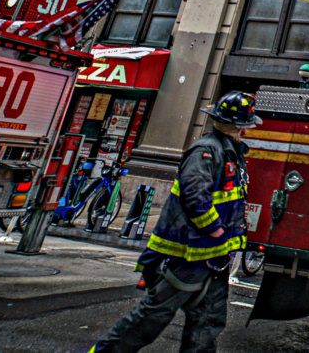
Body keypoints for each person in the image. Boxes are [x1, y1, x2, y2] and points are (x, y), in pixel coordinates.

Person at [87, 91, 259, 353]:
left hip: (210, 258)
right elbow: (194, 195)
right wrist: (215, 230)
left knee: (207, 323)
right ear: (237, 127)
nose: (246, 132)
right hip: (185, 256)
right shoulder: (207, 151)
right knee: (150, 319)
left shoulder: (229, 152)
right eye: (245, 126)